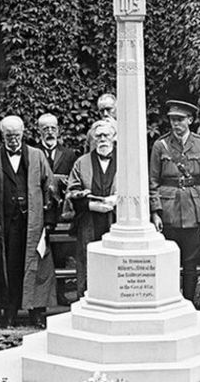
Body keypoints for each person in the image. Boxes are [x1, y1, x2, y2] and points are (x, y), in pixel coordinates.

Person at [0, 115, 58, 328]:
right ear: (2, 135)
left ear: (23, 133)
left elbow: (50, 188)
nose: (13, 140)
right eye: (8, 136)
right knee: (10, 267)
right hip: (6, 223)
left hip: (33, 222)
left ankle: (37, 312)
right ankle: (10, 312)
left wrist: (49, 221)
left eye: (16, 135)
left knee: (37, 266)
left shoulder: (36, 155)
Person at [149, 100, 200, 301]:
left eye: (180, 119)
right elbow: (153, 181)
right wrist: (155, 212)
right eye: (172, 120)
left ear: (190, 120)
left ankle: (189, 304)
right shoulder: (160, 145)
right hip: (168, 212)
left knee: (191, 263)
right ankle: (168, 303)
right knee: (167, 261)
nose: (175, 124)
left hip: (194, 210)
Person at [65, 119, 118, 298]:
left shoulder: (126, 161)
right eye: (98, 136)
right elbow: (71, 192)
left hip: (116, 221)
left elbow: (136, 189)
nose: (102, 139)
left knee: (116, 261)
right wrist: (89, 205)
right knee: (87, 261)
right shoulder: (82, 162)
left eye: (106, 135)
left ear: (114, 137)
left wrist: (117, 200)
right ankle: (86, 299)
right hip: (88, 221)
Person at [37, 113, 78, 199]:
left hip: (62, 201)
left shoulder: (69, 155)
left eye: (53, 128)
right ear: (39, 131)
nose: (50, 132)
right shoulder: (33, 154)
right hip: (40, 200)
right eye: (46, 129)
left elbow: (74, 181)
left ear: (58, 130)